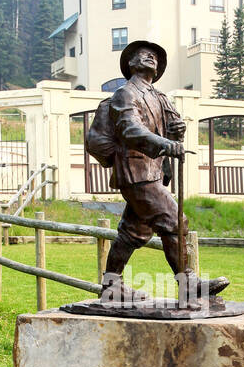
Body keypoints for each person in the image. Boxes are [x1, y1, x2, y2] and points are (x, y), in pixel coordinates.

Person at [98, 39, 228, 301]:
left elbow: (167, 130)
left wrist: (174, 133)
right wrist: (166, 144)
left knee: (132, 233)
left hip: (152, 171)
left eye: (154, 57)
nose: (150, 58)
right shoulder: (126, 93)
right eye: (143, 55)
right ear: (130, 63)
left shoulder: (158, 97)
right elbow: (130, 129)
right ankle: (189, 285)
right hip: (136, 171)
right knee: (175, 220)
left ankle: (111, 286)